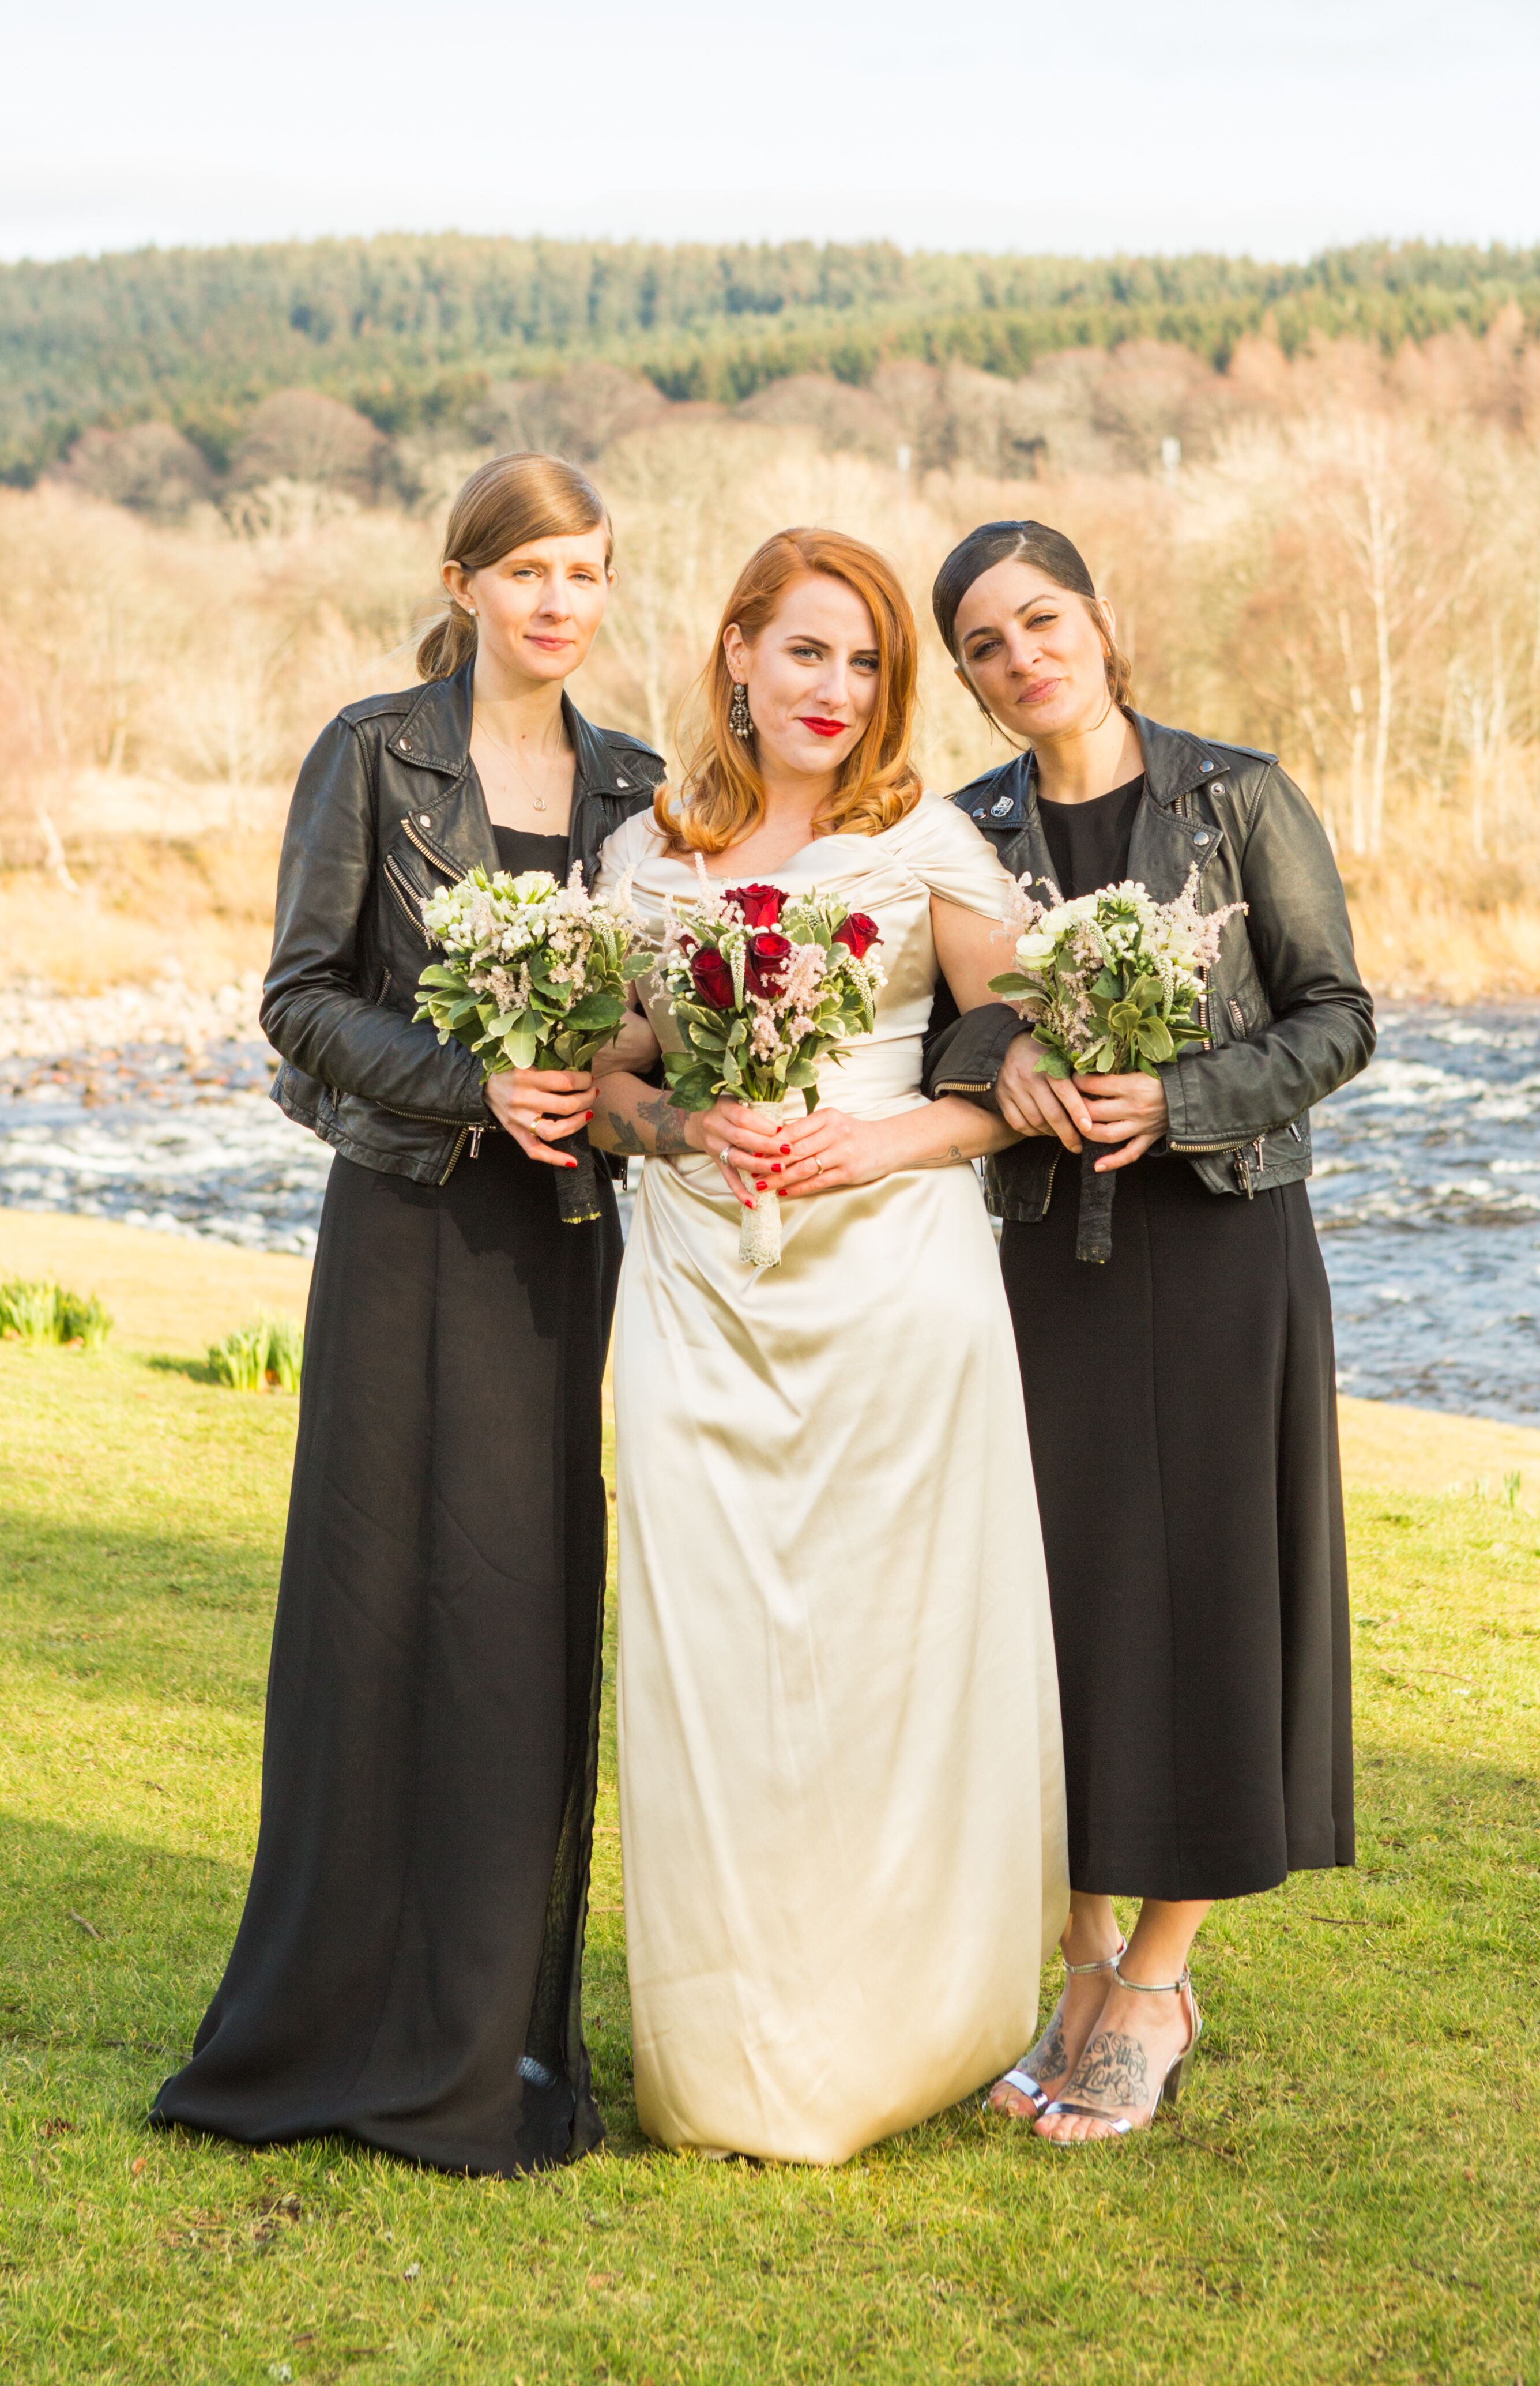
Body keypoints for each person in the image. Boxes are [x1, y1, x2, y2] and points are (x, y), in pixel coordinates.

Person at [152, 453, 661, 2177]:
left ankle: (498, 2038)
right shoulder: (373, 751)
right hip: (406, 1220)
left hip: (568, 1238)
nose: (555, 603)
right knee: (375, 1605)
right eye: (526, 572)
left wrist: (612, 1087)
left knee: (523, 1614)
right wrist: (465, 1086)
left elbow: (656, 1024)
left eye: (584, 574)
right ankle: (329, 2017)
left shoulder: (641, 787)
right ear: (463, 583)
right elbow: (298, 997)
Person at [590, 528, 1065, 2165]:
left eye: (866, 665)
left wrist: (898, 1140)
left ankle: (890, 2034)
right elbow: (605, 1081)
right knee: (711, 1649)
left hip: (890, 1289)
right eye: (807, 653)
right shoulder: (646, 858)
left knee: (881, 1657)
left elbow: (1015, 1070)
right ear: (735, 654)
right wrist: (673, 1126)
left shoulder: (927, 844)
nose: (835, 692)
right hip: (696, 1287)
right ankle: (723, 2053)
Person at [925, 517, 1374, 2145]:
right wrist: (998, 1062)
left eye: (1039, 620)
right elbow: (930, 1029)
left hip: (1220, 1250)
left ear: (1099, 624)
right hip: (1038, 1269)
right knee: (1054, 1609)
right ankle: (1080, 1957)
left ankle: (1161, 1983)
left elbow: (1337, 1017)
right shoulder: (956, 833)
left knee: (1201, 1604)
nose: (1019, 656)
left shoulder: (1236, 795)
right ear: (969, 681)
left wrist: (1176, 1097)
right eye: (982, 644)